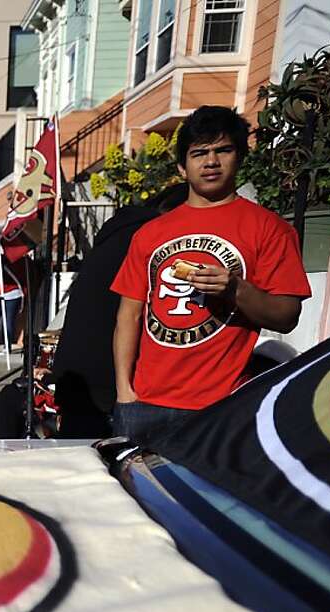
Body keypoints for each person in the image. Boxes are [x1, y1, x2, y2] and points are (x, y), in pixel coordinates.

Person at [110, 106, 311, 443]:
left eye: (223, 150)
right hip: (142, 404)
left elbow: (287, 316)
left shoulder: (269, 229)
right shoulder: (150, 233)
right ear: (181, 166)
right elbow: (128, 315)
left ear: (240, 156)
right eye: (199, 153)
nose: (211, 162)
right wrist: (124, 392)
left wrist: (236, 290)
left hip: (222, 406)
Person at [50, 183, 187, 438]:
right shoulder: (151, 240)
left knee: (82, 461)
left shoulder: (120, 231)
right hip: (108, 377)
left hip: (79, 370)